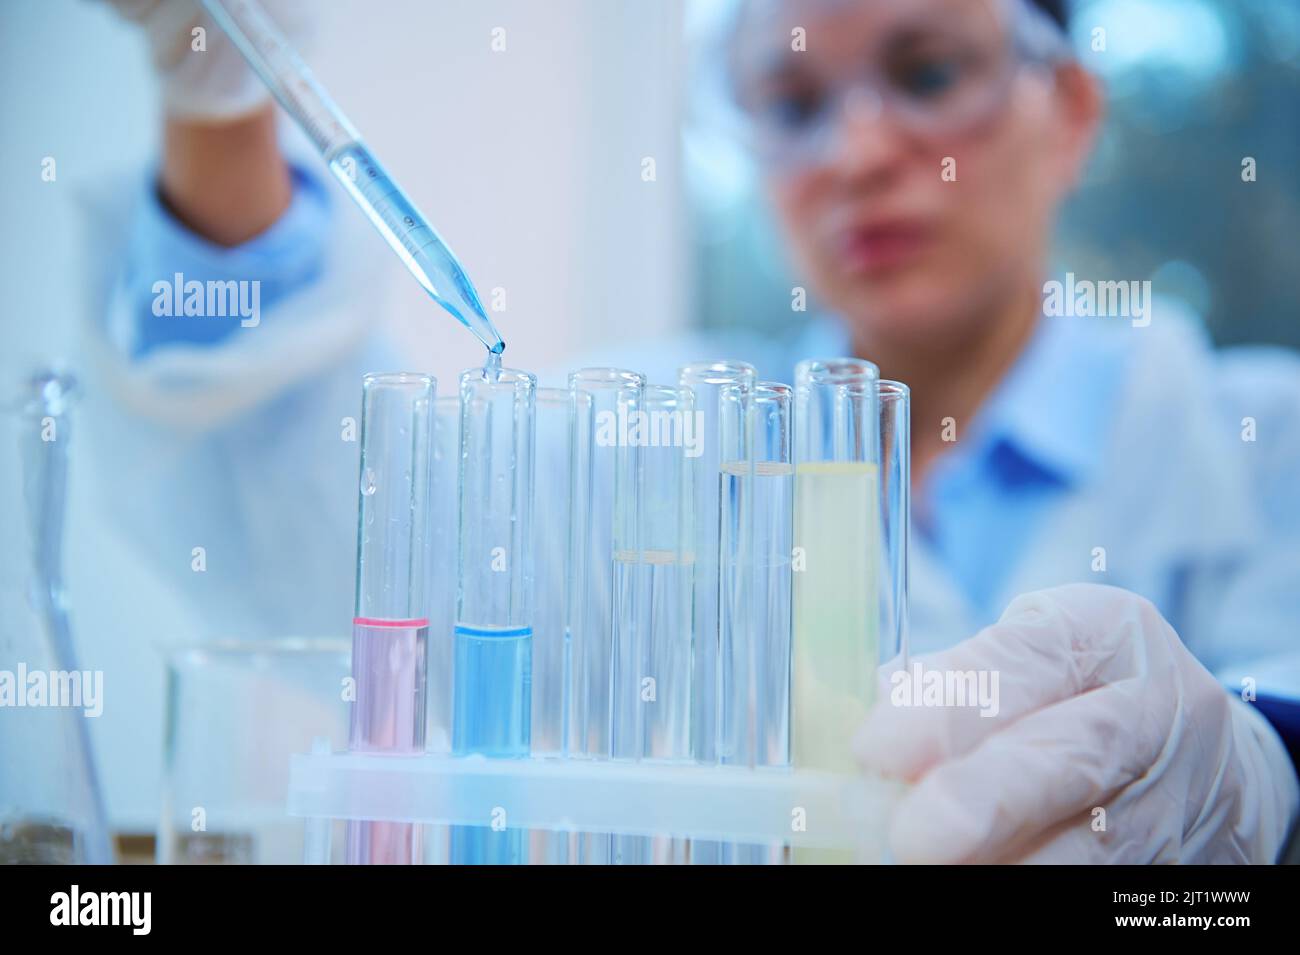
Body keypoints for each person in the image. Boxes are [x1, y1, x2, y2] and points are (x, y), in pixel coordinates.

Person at [91, 0, 1298, 862]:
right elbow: (283, 498)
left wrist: (1262, 773)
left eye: (928, 72)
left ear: (1071, 112)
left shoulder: (1268, 442)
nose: (859, 151)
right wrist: (222, 99)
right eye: (792, 100)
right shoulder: (648, 440)